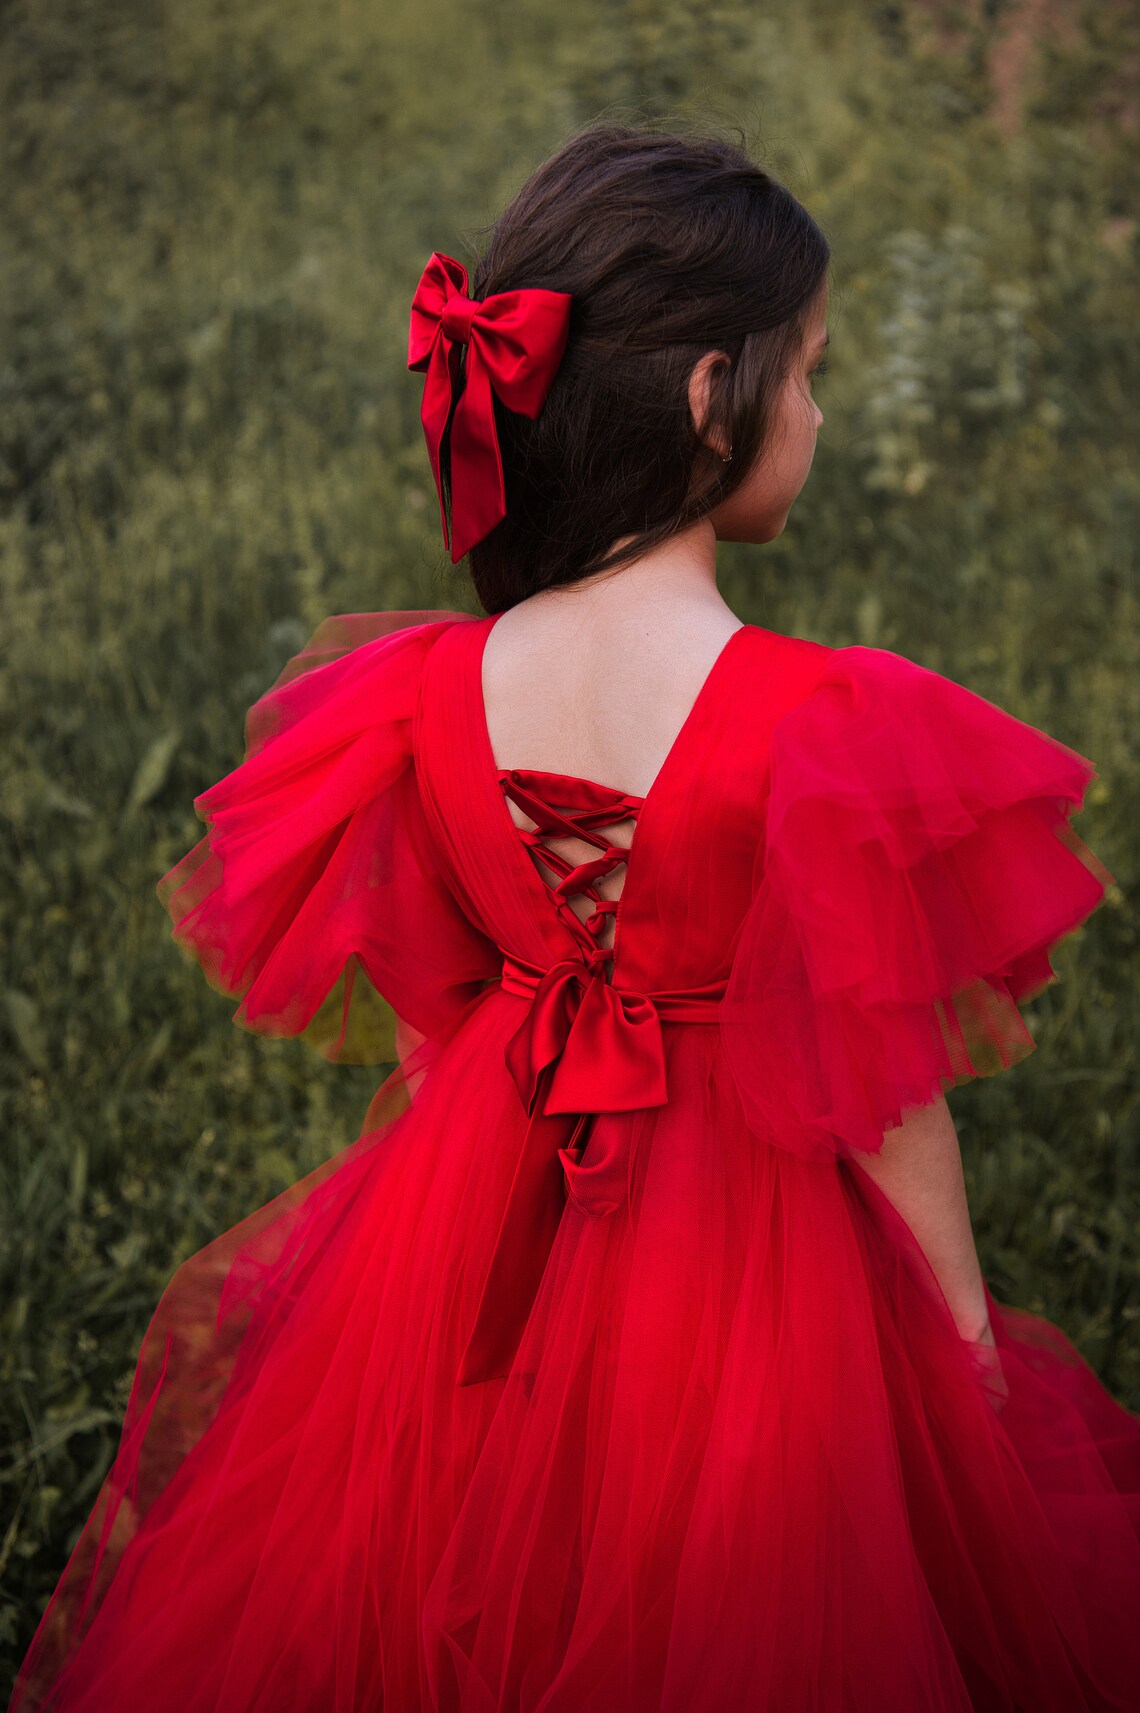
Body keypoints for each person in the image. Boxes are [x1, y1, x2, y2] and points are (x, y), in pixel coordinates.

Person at [11, 122, 1140, 1713]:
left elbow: (437, 1017)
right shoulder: (820, 722)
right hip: (762, 1262)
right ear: (706, 397)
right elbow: (885, 1097)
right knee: (763, 1585)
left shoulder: (422, 695)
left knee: (461, 1556)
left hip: (485, 1209)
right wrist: (960, 1340)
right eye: (808, 371)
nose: (819, 408)